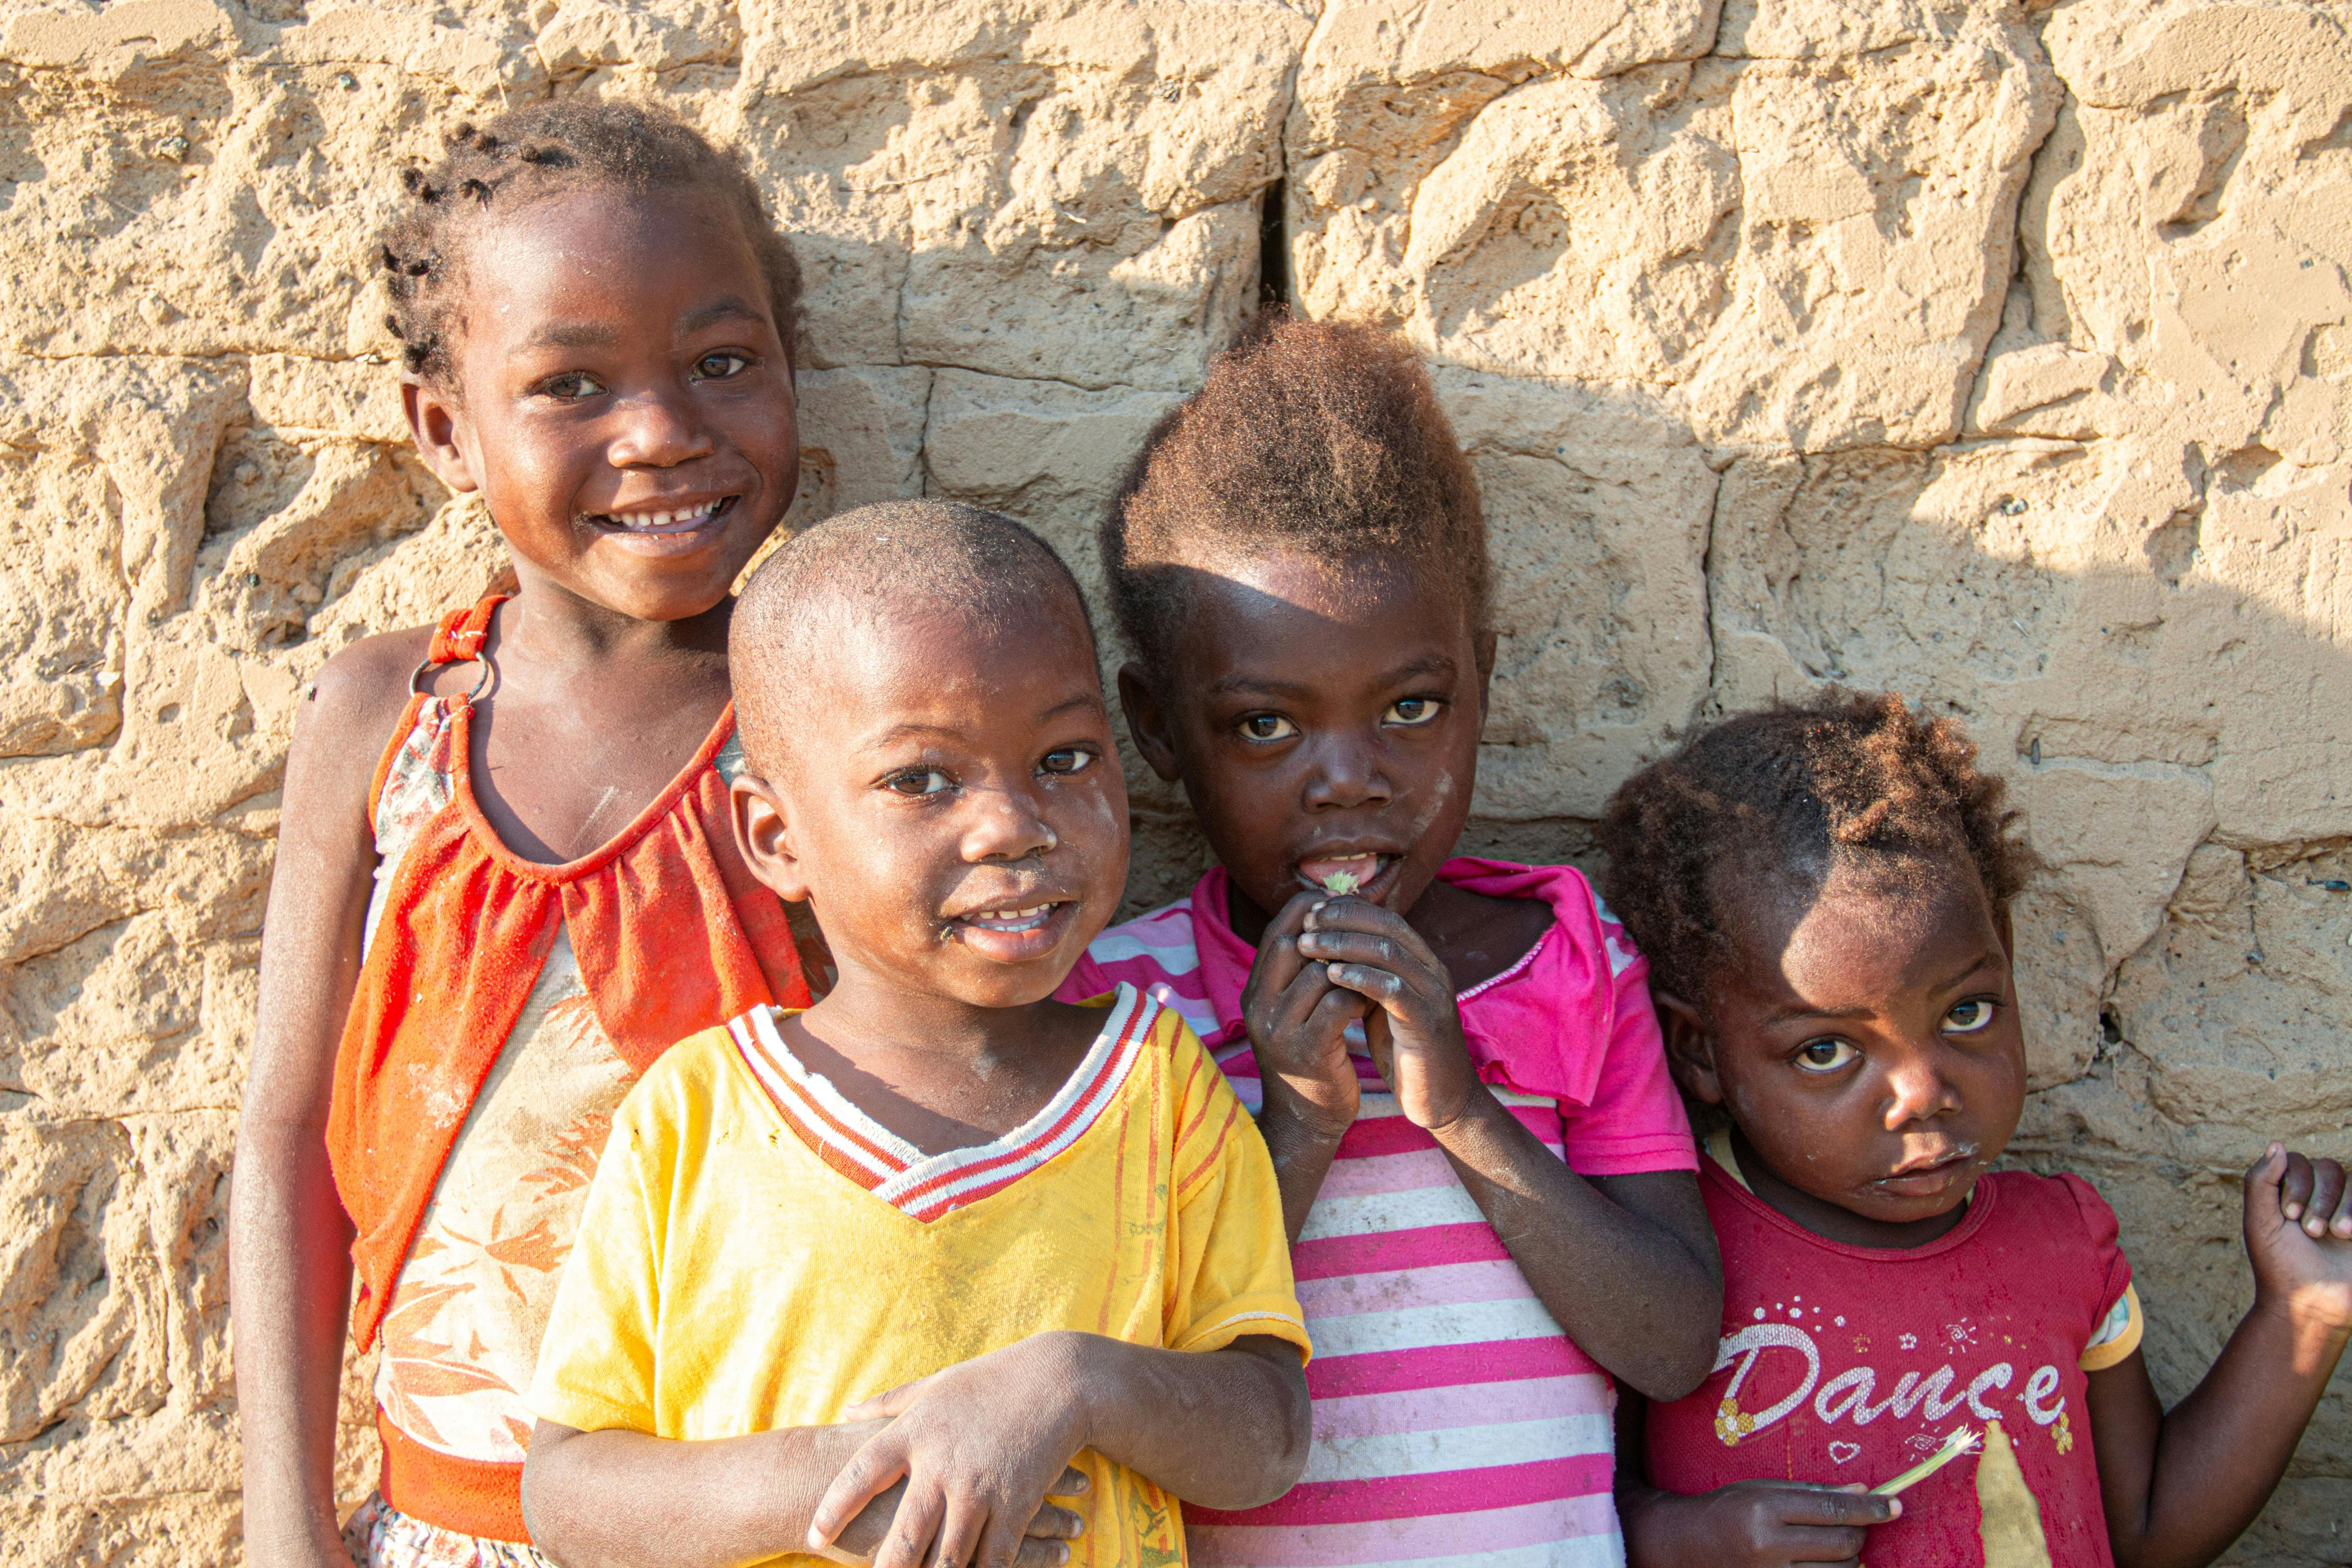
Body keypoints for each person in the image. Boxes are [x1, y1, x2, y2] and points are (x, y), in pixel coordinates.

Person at [230, 100, 818, 1567]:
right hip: (447, 1528)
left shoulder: (833, 710)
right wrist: (288, 1527)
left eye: (724, 363)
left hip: (776, 1521)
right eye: (571, 383)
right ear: (446, 427)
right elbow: (290, 1137)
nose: (665, 432)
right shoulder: (386, 717)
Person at [518, 501, 1315, 1568]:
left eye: (1067, 759)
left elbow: (1267, 1435)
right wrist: (861, 1480)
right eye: (921, 780)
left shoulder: (1154, 1087)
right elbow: (570, 1496)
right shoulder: (696, 1114)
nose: (1012, 825)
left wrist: (1077, 1384)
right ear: (776, 835)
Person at [1061, 317, 1724, 1568]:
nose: (1350, 782)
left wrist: (1467, 1112)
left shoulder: (1575, 964)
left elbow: (1674, 1340)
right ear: (1158, 729)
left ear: (1485, 680)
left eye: (1413, 709)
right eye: (1266, 727)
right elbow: (1121, 1357)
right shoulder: (1120, 1010)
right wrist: (1298, 1128)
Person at [1600, 690, 2352, 1568]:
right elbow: (1561, 1500)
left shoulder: (2065, 1241)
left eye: (1966, 1011)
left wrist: (2301, 1318)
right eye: (1825, 1051)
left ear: (2006, 954)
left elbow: (2148, 1533)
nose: (1924, 1093)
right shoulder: (1669, 1251)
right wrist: (1682, 1539)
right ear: (1699, 1053)